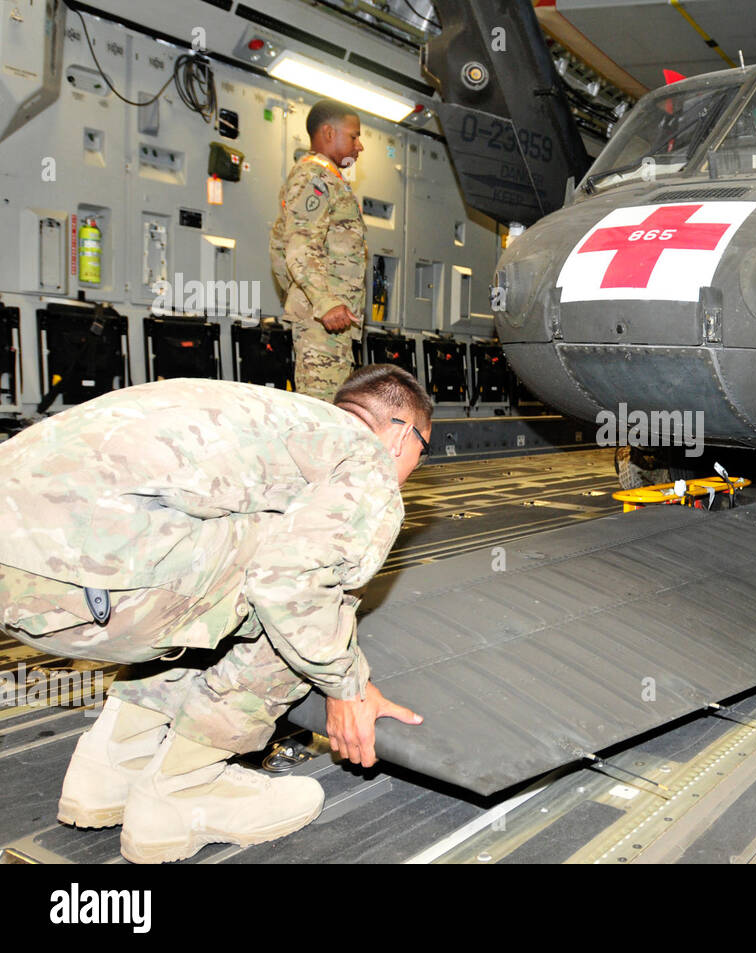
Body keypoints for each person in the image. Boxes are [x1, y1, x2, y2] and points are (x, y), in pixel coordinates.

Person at [0, 365, 431, 863]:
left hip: (31, 574)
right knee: (302, 590)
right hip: (80, 578)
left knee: (215, 567)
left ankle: (111, 764)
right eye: (422, 452)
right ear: (400, 434)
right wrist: (346, 685)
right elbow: (286, 585)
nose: (413, 471)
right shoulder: (365, 457)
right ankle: (184, 791)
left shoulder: (278, 419)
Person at [270, 99, 367, 401]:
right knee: (322, 415)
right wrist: (325, 303)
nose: (359, 146)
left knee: (333, 412)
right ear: (328, 132)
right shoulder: (314, 176)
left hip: (330, 324)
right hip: (321, 323)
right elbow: (299, 246)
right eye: (354, 136)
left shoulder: (328, 178)